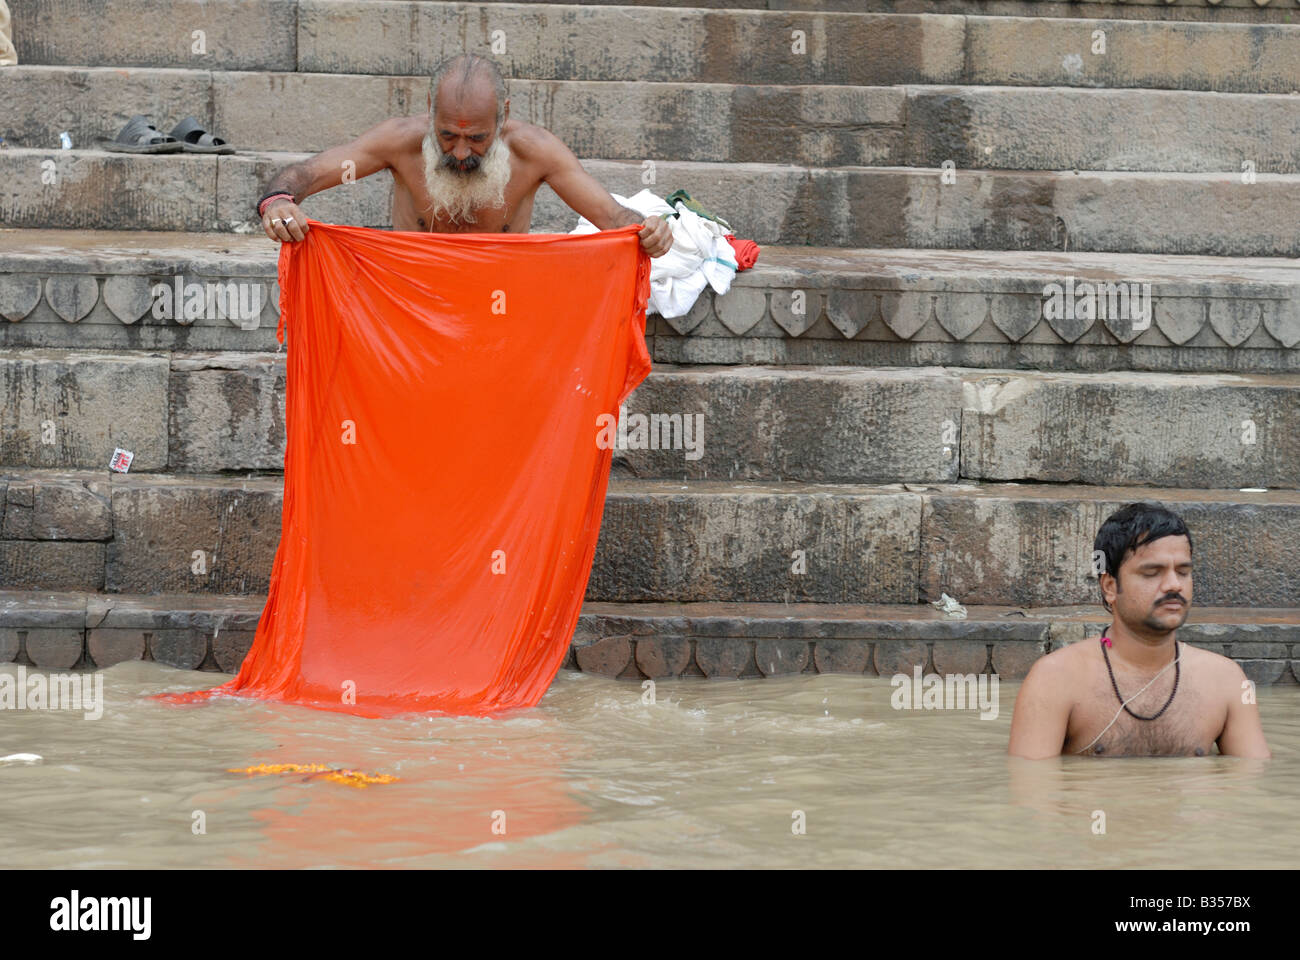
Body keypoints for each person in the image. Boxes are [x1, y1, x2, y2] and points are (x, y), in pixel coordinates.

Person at [256, 52, 672, 258]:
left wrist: (649, 232)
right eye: (447, 135)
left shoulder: (536, 152)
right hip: (412, 299)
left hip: (499, 305)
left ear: (503, 116)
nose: (459, 152)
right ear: (430, 111)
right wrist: (278, 203)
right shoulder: (399, 141)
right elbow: (305, 175)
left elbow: (613, 220)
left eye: (477, 138)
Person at [1008, 502, 1269, 758]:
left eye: (1183, 571)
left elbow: (1251, 785)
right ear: (1110, 587)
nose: (1173, 585)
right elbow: (1032, 788)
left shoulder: (1229, 680)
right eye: (1151, 573)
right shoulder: (1054, 679)